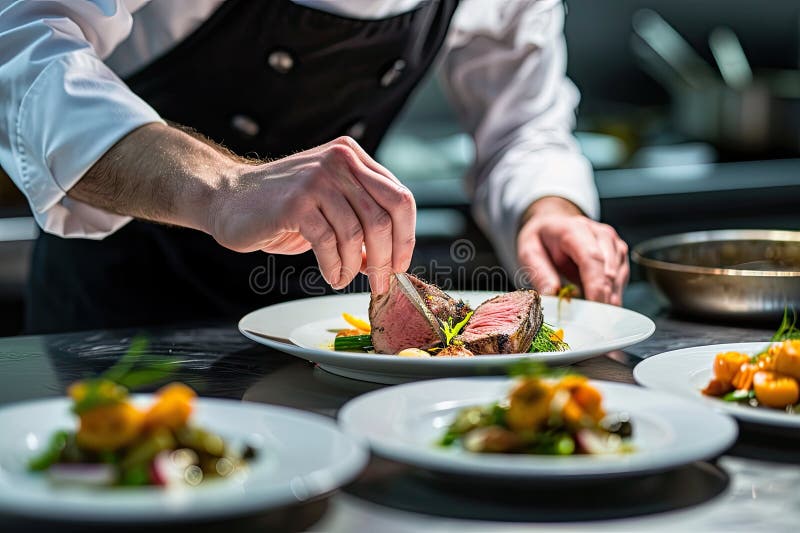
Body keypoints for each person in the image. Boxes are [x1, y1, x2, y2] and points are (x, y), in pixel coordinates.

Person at [0, 0, 629, 333]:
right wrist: (224, 188)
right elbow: (24, 47)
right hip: (123, 318)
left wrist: (547, 209)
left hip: (322, 338)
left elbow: (522, 127)